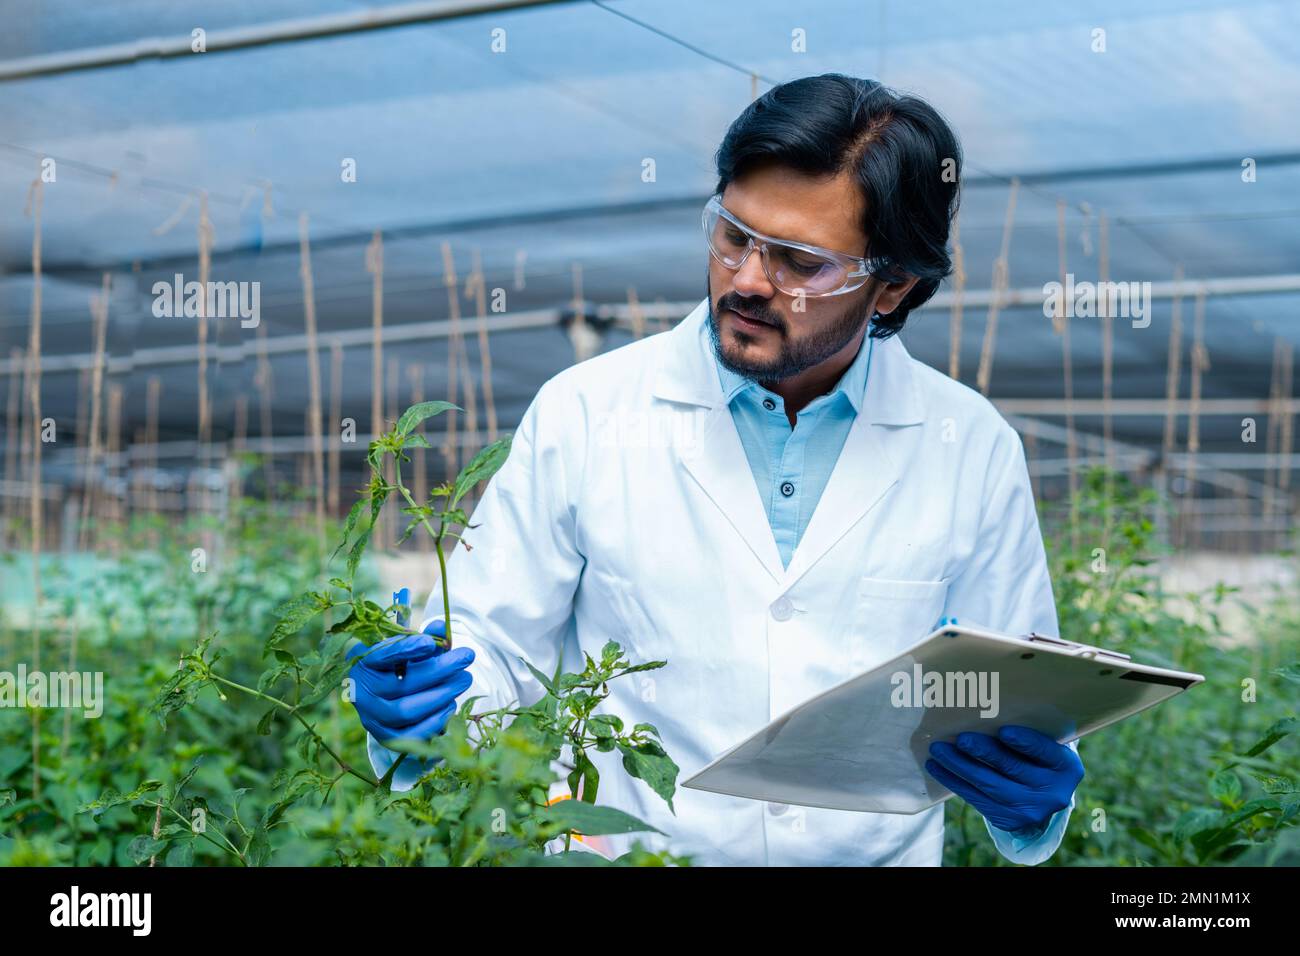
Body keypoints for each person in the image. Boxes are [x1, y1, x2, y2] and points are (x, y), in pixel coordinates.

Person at [348, 73, 1083, 866]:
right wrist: (417, 712)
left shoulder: (969, 446)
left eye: (802, 262)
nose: (748, 280)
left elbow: (1014, 693)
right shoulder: (588, 413)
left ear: (891, 285)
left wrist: (1032, 810)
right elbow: (490, 638)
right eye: (733, 234)